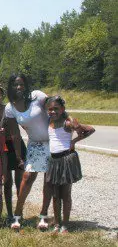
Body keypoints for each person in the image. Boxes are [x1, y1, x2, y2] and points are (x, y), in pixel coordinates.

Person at [4, 74, 52, 229]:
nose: (19, 87)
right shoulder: (10, 107)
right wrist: (19, 156)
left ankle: (43, 216)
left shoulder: (37, 96)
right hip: (35, 144)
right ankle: (17, 216)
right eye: (15, 85)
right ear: (10, 87)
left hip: (53, 142)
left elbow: (55, 110)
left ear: (26, 85)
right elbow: (15, 134)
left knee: (48, 180)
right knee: (27, 176)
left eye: (22, 84)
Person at [45, 96, 95, 233]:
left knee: (65, 194)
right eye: (50, 109)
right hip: (53, 161)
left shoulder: (68, 123)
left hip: (66, 159)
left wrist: (74, 141)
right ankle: (57, 223)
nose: (53, 111)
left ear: (62, 109)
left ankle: (65, 224)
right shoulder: (48, 121)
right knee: (55, 195)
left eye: (56, 109)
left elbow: (90, 129)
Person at [0, 84, 26, 222]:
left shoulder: (8, 110)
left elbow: (15, 134)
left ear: (2, 96)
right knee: (7, 182)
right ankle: (9, 214)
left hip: (16, 147)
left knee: (19, 182)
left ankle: (19, 213)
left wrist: (19, 157)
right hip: (2, 149)